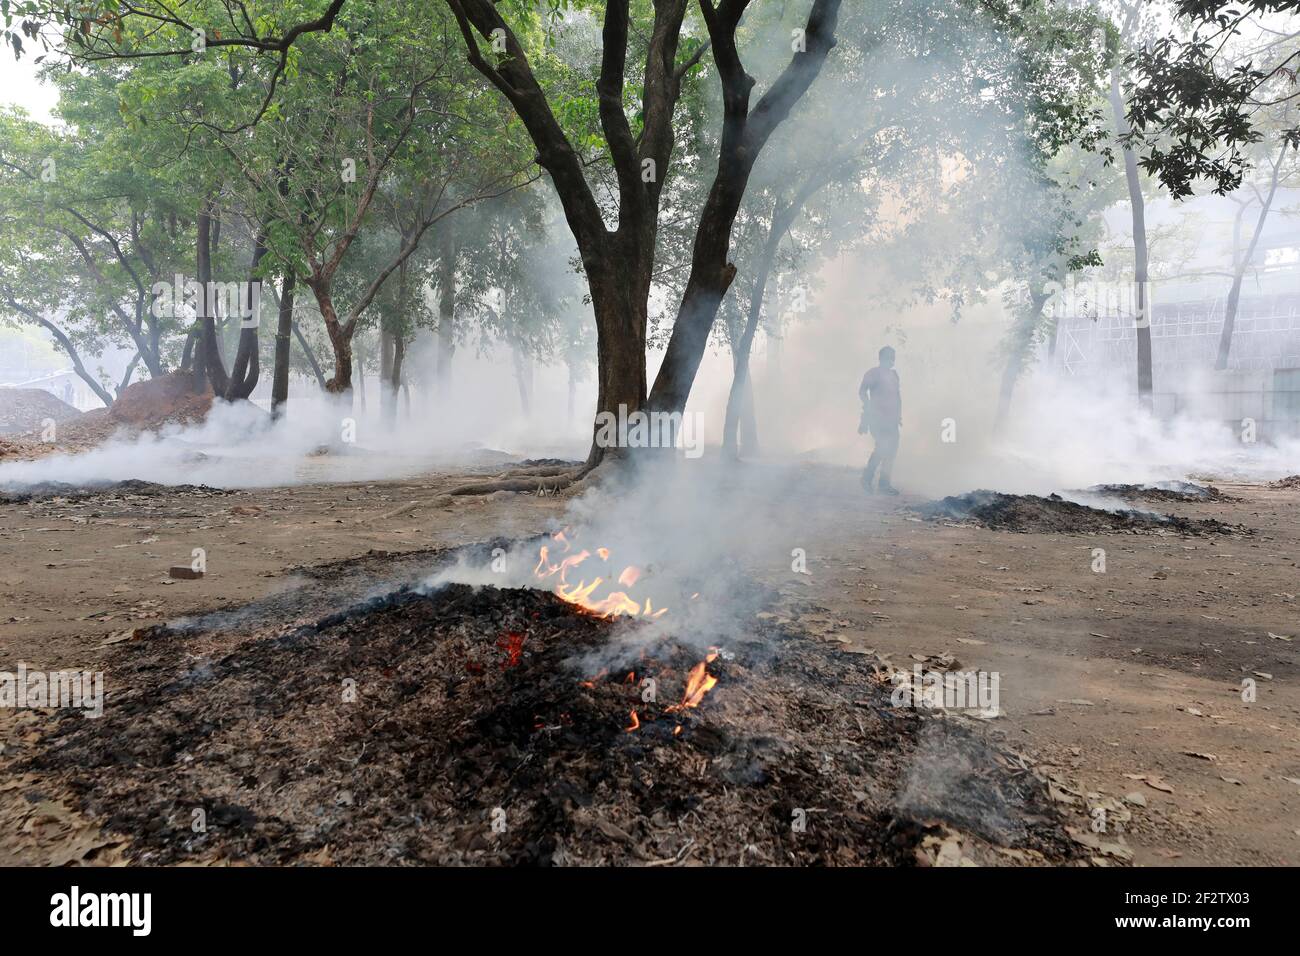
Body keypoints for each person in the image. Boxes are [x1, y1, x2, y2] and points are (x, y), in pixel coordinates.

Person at [858, 346, 902, 495]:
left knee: (892, 451)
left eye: (893, 356)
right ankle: (866, 478)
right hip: (878, 418)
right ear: (881, 358)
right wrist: (869, 406)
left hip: (892, 420)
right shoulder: (873, 373)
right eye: (889, 356)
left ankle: (884, 484)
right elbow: (862, 391)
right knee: (882, 448)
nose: (892, 360)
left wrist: (898, 416)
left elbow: (897, 396)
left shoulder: (894, 375)